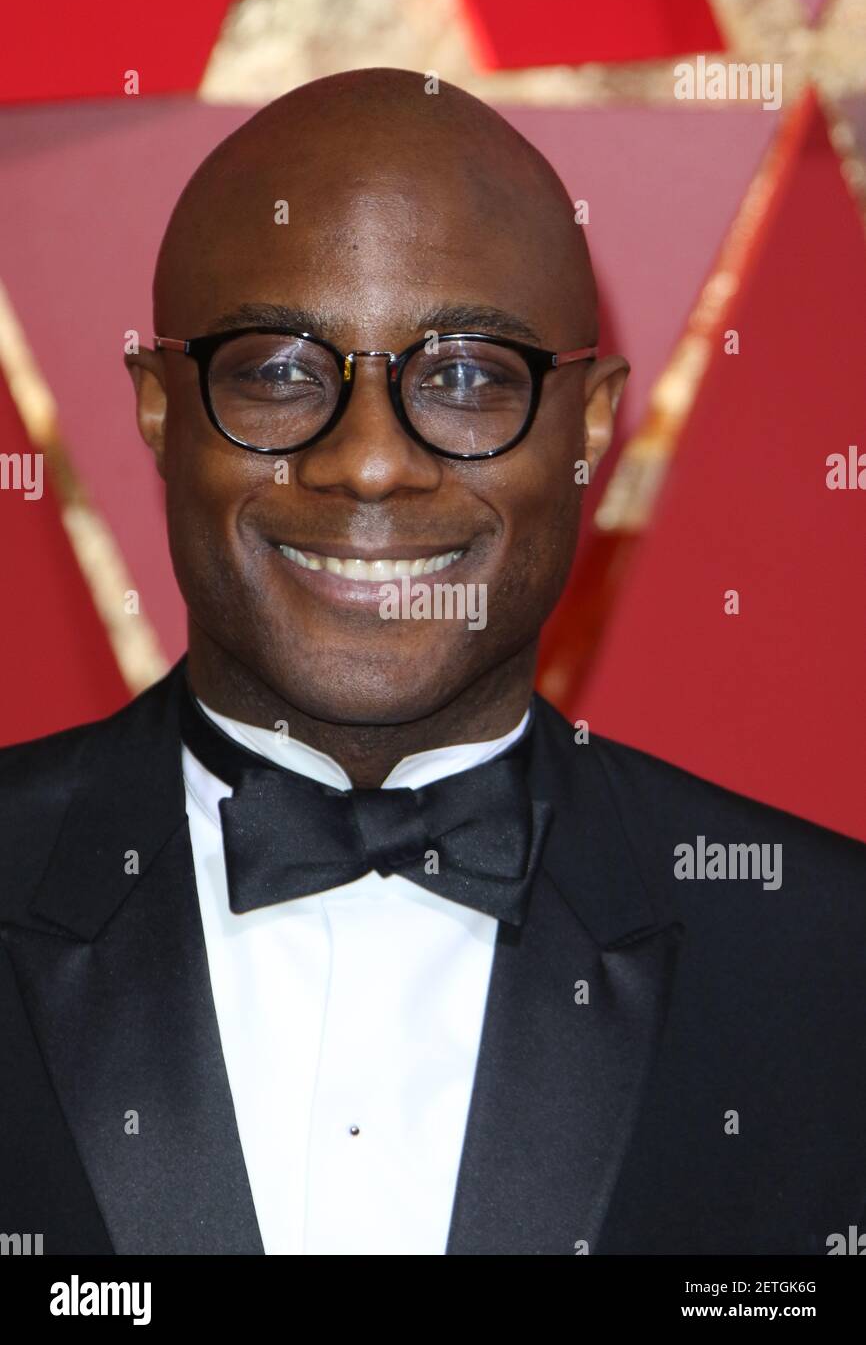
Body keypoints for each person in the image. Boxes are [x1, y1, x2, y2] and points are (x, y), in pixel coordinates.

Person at [1, 68, 864, 1258]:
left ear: (591, 426)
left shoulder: (827, 964)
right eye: (279, 370)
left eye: (462, 378)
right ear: (160, 409)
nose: (367, 464)